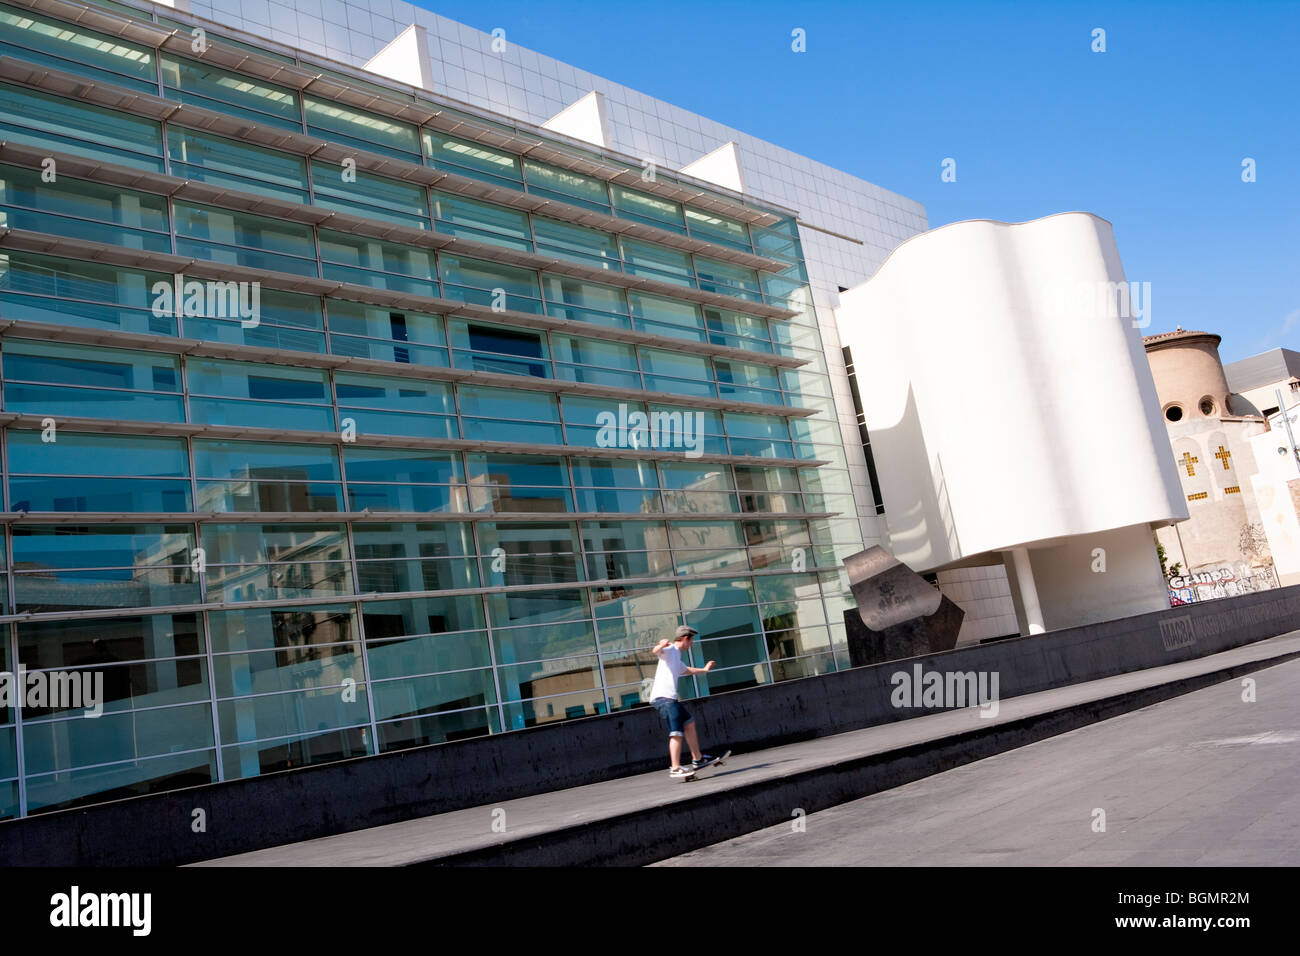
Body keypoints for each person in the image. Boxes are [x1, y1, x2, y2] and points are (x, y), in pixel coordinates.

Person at [649, 625, 717, 778]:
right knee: (676, 732)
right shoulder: (670, 650)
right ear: (686, 638)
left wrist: (704, 670)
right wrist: (661, 644)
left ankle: (698, 759)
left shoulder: (676, 656)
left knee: (689, 723)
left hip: (670, 699)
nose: (692, 643)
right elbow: (656, 651)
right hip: (664, 699)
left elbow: (687, 670)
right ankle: (675, 767)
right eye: (691, 640)